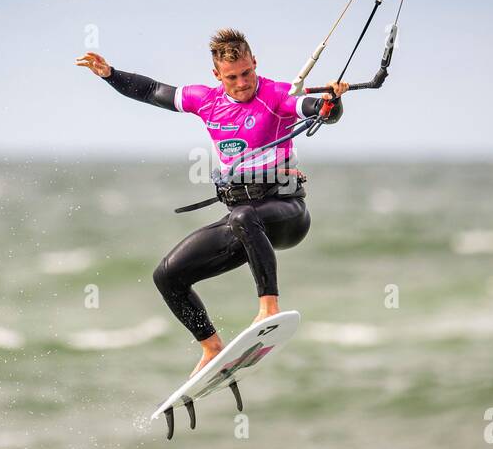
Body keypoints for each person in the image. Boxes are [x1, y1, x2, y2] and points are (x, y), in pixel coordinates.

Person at [75, 28, 349, 374]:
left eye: (247, 73)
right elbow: (152, 90)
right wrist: (110, 75)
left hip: (287, 215)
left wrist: (330, 105)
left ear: (255, 64)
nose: (242, 82)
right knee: (168, 275)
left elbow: (313, 108)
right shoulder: (206, 100)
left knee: (244, 217)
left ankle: (269, 308)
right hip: (245, 222)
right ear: (217, 75)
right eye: (232, 77)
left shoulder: (276, 94)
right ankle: (211, 346)